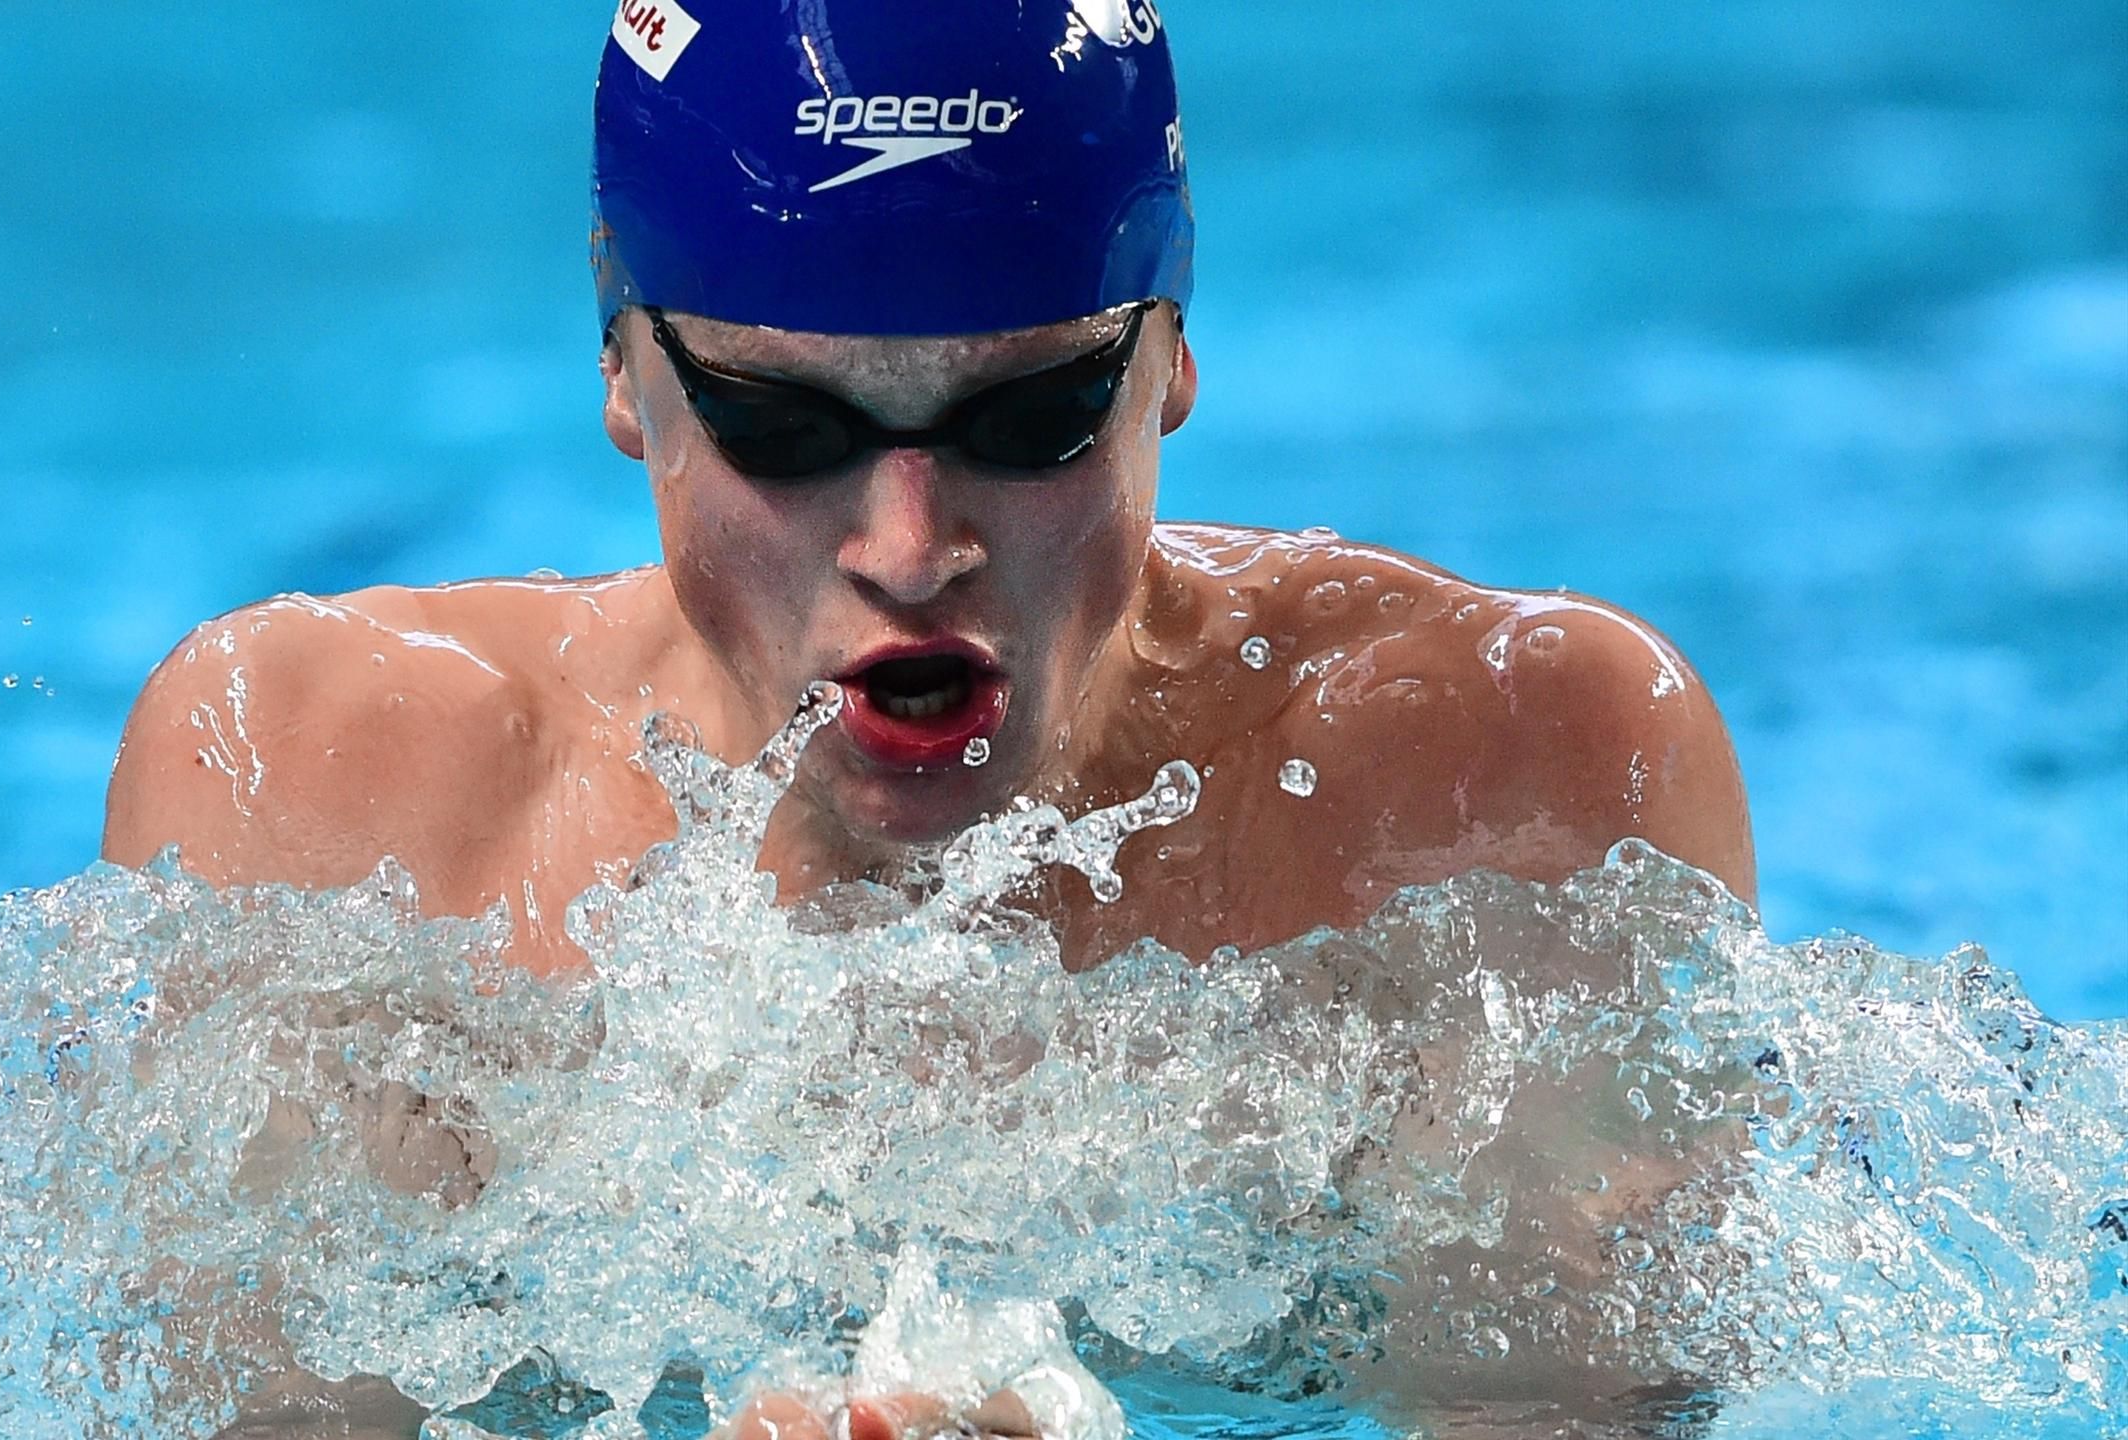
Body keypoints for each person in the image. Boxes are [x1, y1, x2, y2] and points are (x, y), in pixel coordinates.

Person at [101, 2, 1755, 1435]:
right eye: (779, 423)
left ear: (1171, 357)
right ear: (622, 371)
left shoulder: (1503, 776)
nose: (909, 548)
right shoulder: (326, 786)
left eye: (1031, 415)